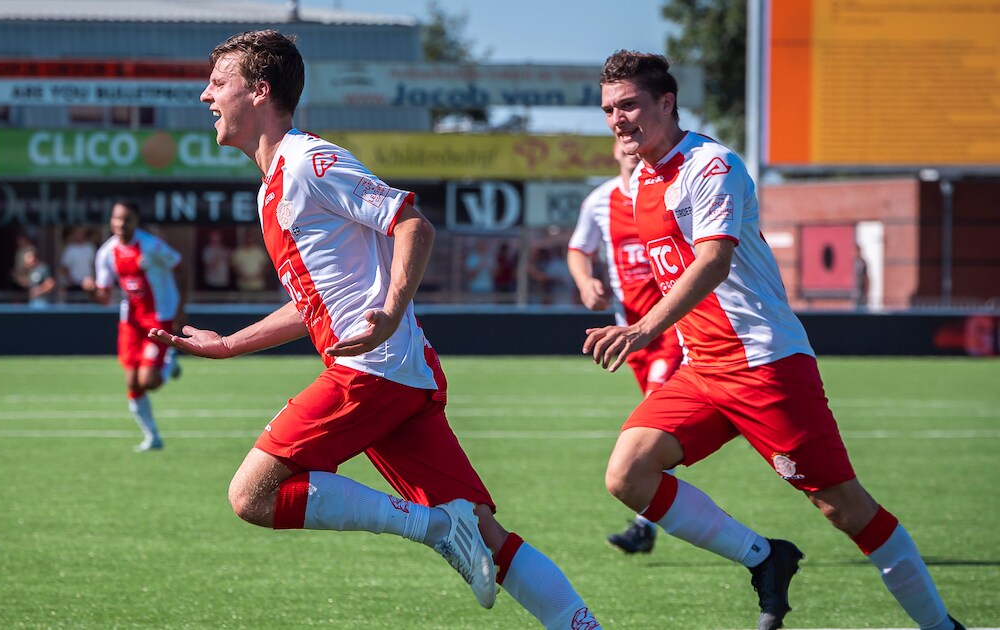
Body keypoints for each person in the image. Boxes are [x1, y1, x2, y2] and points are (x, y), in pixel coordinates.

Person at [150, 30, 599, 629]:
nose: (206, 96)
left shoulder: (308, 160)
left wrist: (387, 312)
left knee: (251, 496)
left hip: (372, 371)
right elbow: (314, 308)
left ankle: (436, 527)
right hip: (398, 373)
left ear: (259, 91)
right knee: (486, 532)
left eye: (218, 83)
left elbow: (412, 224)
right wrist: (231, 345)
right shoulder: (270, 189)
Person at [585, 50, 963, 630]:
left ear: (667, 102)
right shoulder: (639, 183)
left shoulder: (711, 166)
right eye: (609, 108)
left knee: (844, 508)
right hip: (702, 369)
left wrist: (641, 329)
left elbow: (712, 262)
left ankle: (941, 627)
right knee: (628, 474)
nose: (618, 118)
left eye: (630, 104)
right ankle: (766, 559)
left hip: (764, 363)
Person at [568, 140, 684, 554]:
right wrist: (586, 284)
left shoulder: (668, 193)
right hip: (629, 335)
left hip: (672, 331)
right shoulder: (600, 201)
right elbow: (579, 250)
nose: (632, 152)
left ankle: (643, 523)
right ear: (615, 153)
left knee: (652, 423)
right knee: (659, 430)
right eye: (625, 147)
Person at [85, 200, 183, 452]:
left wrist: (181, 308)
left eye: (126, 219)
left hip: (159, 316)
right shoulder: (106, 253)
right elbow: (104, 297)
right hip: (131, 322)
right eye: (116, 219)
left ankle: (168, 361)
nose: (120, 224)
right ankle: (152, 437)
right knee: (132, 383)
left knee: (148, 381)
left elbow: (180, 266)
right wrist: (91, 291)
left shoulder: (151, 245)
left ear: (136, 222)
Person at [58, 226, 97, 302]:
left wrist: (93, 280)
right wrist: (70, 281)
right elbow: (64, 267)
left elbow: (94, 265)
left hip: (87, 285)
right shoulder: (70, 249)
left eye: (81, 234)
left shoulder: (90, 248)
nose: (80, 236)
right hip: (73, 285)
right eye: (78, 234)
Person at [231, 228, 270, 293]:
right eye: (247, 238)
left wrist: (260, 274)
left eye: (250, 238)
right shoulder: (239, 252)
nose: (249, 240)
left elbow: (267, 265)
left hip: (258, 285)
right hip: (242, 286)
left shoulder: (259, 251)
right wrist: (242, 275)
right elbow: (233, 267)